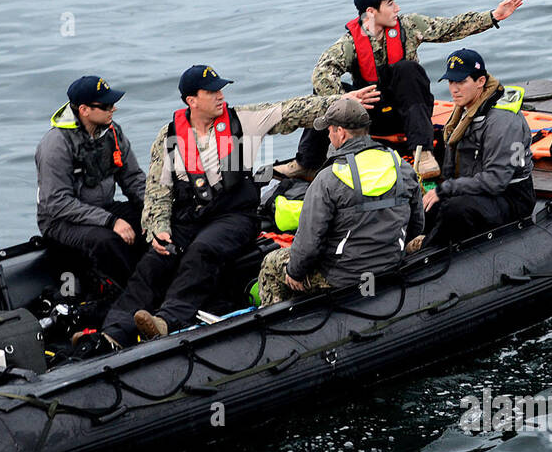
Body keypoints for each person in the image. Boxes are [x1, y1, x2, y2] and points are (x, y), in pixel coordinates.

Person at [97, 65, 380, 348]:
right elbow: (158, 192)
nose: (221, 96)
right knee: (153, 263)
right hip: (189, 218)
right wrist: (157, 229)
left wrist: (341, 102)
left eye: (221, 89)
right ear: (191, 101)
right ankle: (112, 334)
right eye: (212, 92)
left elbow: (292, 110)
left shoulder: (242, 120)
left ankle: (167, 322)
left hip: (235, 216)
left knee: (203, 251)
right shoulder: (169, 136)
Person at [274, 0, 526, 181]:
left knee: (407, 69)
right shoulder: (350, 43)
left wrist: (493, 16)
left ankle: (423, 151)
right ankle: (307, 163)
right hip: (370, 115)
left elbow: (449, 27)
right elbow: (322, 71)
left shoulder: (408, 26)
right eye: (390, 3)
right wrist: (344, 98)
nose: (397, 8)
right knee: (322, 95)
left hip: (408, 111)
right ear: (371, 12)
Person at [258, 97, 424, 306]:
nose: (328, 134)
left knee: (272, 263)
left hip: (343, 277)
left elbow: (309, 243)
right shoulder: (401, 166)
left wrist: (295, 272)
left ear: (341, 132)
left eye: (330, 130)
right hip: (389, 265)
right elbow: (417, 225)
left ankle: (280, 322)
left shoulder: (329, 177)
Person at [35, 75, 147, 285]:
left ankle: (159, 279)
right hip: (60, 222)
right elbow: (57, 203)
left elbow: (133, 178)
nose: (113, 109)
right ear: (84, 110)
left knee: (149, 220)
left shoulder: (113, 133)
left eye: (113, 103)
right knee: (107, 241)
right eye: (106, 105)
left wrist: (153, 209)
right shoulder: (55, 145)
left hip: (102, 209)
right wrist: (110, 221)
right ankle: (132, 293)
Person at [419, 49, 535, 248]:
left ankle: (424, 252)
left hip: (510, 196)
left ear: (481, 81)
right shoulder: (466, 109)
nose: (454, 89)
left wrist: (446, 189)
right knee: (425, 205)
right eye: (450, 82)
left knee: (454, 209)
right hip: (477, 187)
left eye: (461, 82)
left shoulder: (502, 122)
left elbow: (496, 181)